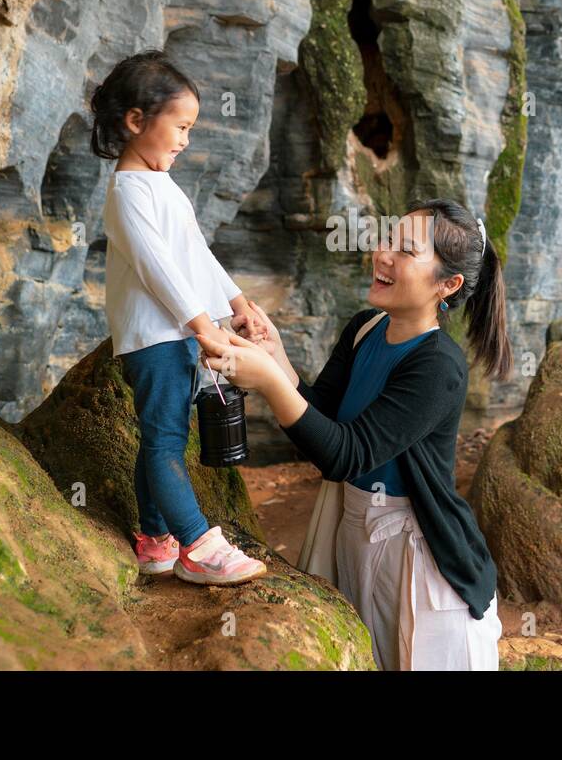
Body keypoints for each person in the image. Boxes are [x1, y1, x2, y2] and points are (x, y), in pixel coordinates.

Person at [196, 199, 513, 669]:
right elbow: (324, 418)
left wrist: (266, 379)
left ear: (447, 285)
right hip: (353, 530)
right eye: (388, 240)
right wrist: (276, 356)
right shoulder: (365, 328)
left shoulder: (438, 365)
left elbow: (347, 455)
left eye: (406, 250)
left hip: (416, 552)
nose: (383, 254)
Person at [93, 50, 267, 586]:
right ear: (136, 121)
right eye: (181, 126)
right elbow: (157, 267)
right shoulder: (127, 191)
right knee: (165, 441)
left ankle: (154, 539)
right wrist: (203, 327)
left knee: (160, 438)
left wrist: (236, 303)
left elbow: (194, 253)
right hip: (156, 338)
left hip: (177, 334)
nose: (186, 140)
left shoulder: (160, 185)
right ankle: (198, 545)